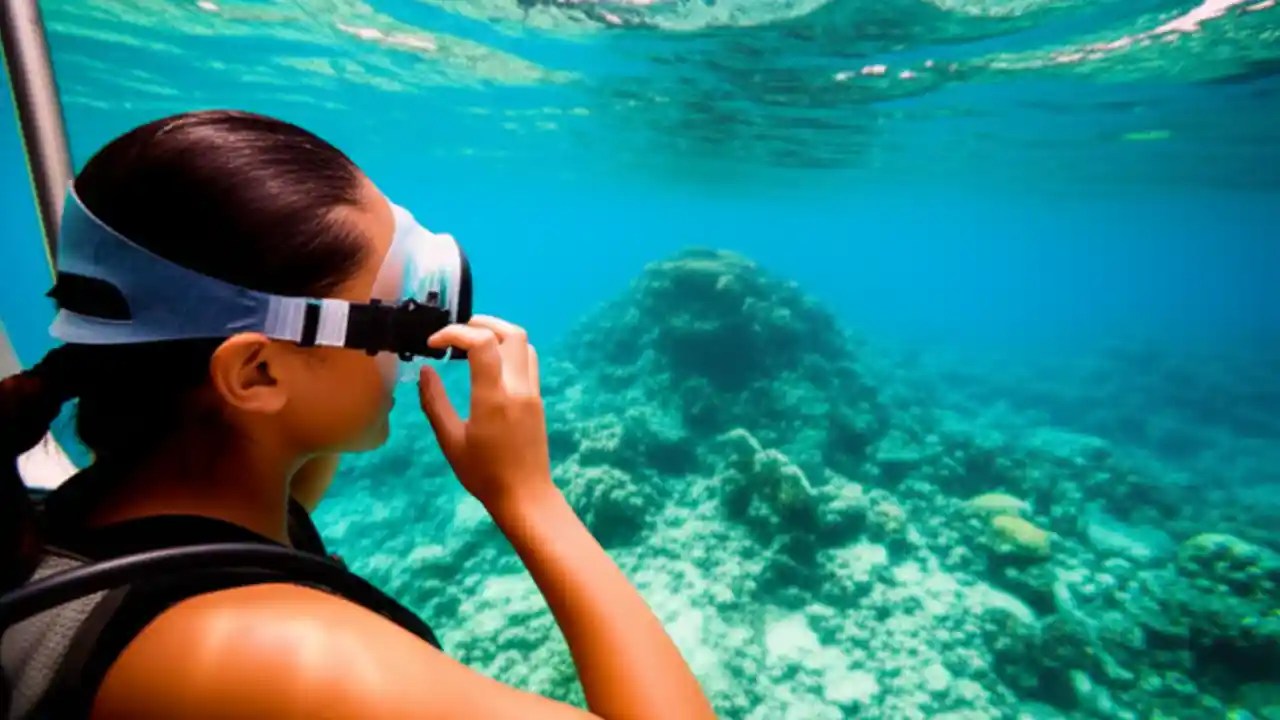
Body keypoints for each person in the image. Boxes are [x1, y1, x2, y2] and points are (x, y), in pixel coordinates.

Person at [0, 109, 717, 719]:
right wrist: (529, 497)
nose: (418, 339)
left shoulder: (111, 506)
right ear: (256, 374)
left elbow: (288, 445)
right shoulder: (266, 657)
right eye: (395, 311)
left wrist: (353, 337)